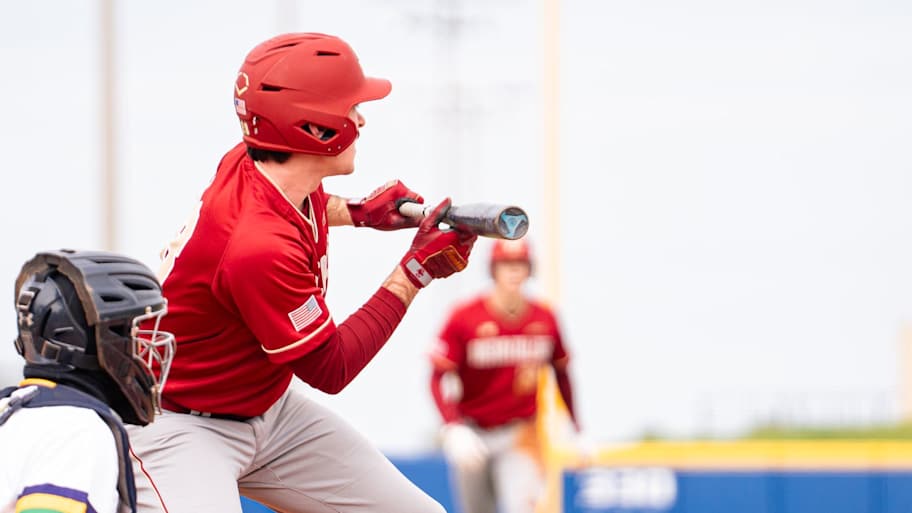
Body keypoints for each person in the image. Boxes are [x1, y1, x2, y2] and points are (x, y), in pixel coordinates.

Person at [126, 33, 478, 513]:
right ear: (312, 128)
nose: (361, 118)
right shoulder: (257, 248)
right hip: (180, 427)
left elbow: (297, 202)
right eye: (350, 106)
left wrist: (359, 212)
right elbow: (330, 368)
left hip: (266, 408)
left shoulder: (257, 162)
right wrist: (414, 271)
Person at [0, 249, 175, 513]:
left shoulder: (12, 410)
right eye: (129, 332)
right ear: (101, 339)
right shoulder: (75, 428)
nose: (141, 348)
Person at [429, 238, 578, 513]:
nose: (513, 271)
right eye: (506, 264)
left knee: (522, 508)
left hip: (520, 432)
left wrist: (577, 428)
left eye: (520, 264)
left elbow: (562, 373)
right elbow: (437, 376)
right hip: (473, 431)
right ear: (494, 269)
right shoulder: (465, 316)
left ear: (529, 269)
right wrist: (452, 426)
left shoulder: (545, 318)